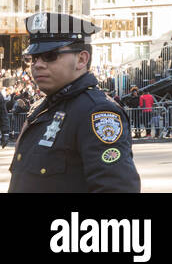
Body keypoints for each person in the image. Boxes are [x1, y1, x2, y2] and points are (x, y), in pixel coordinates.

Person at [7, 13, 141, 192]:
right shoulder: (41, 108)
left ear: (81, 59)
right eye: (34, 57)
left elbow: (116, 188)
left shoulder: (96, 111)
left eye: (49, 55)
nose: (37, 64)